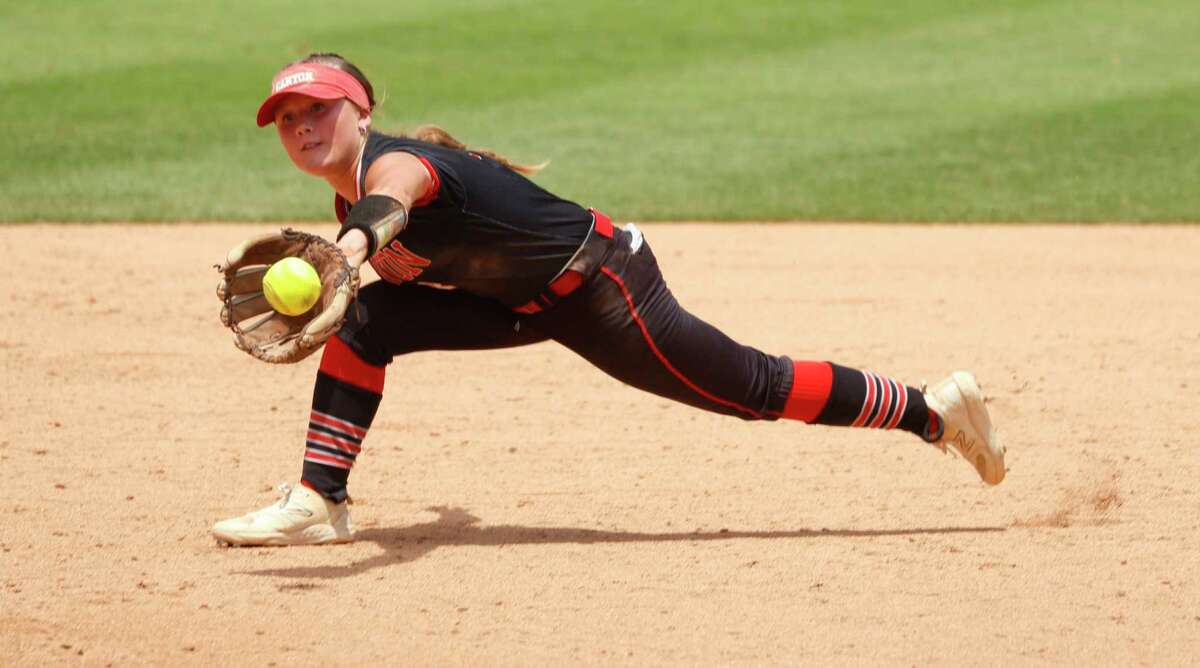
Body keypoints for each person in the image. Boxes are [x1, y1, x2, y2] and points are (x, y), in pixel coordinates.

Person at [212, 53, 1006, 547]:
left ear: (362, 110)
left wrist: (347, 257)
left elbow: (395, 203)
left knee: (750, 388)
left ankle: (930, 409)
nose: (302, 125)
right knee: (368, 319)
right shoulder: (346, 202)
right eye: (287, 118)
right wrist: (347, 277)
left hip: (601, 286)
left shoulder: (398, 169)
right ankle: (321, 499)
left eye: (318, 107)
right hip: (519, 302)